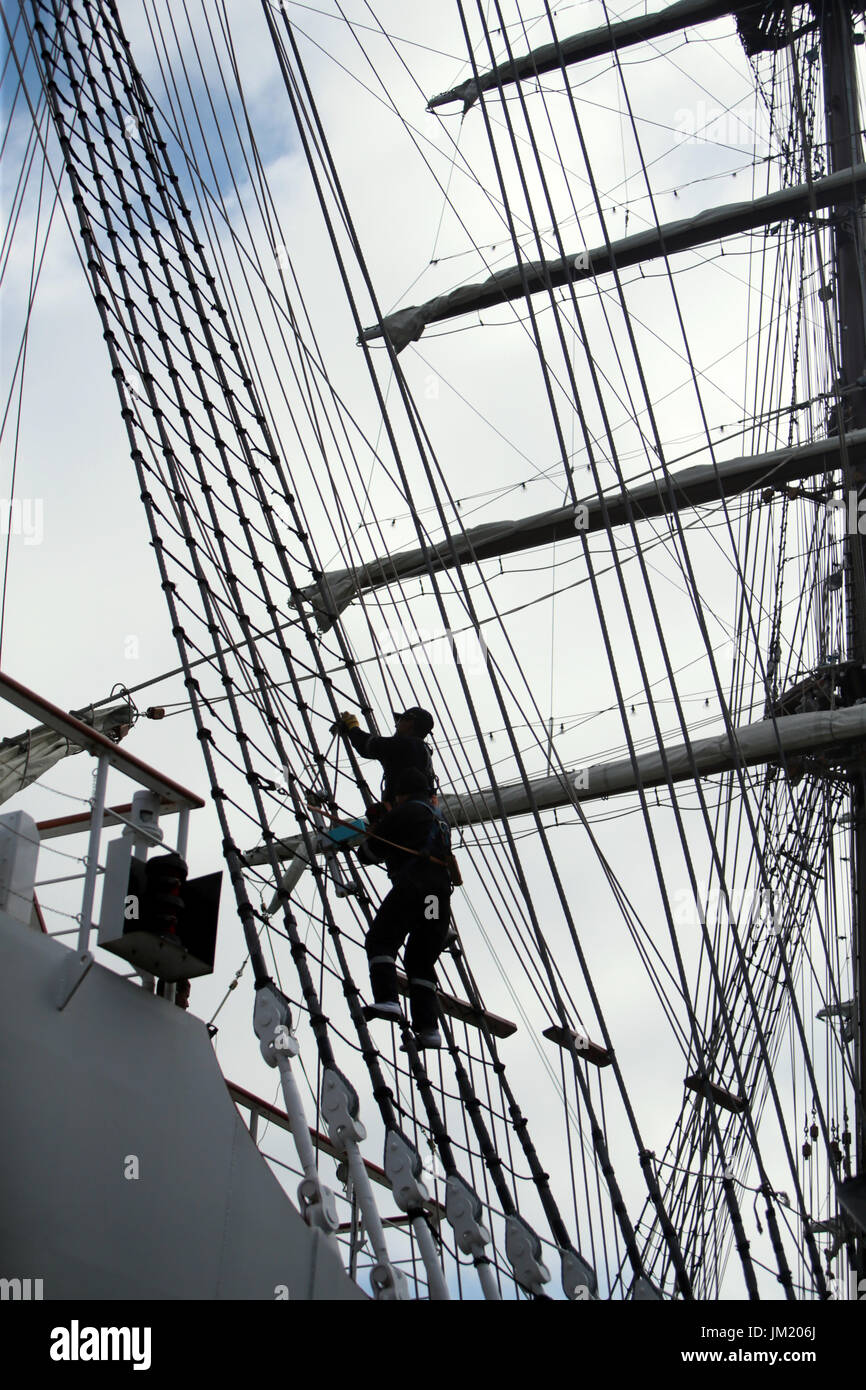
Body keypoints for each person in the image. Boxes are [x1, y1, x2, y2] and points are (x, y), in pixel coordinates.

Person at [356, 766, 455, 1049]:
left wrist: (375, 831)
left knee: (381, 940)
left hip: (414, 886)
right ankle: (429, 1030)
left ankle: (388, 999)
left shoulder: (404, 812)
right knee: (421, 959)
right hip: (437, 898)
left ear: (400, 794)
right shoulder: (440, 819)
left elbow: (368, 854)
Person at [334, 706, 435, 812]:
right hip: (418, 813)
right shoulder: (421, 751)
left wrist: (353, 726)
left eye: (400, 720)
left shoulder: (407, 744)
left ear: (410, 723)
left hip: (406, 815)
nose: (396, 725)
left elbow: (369, 745)